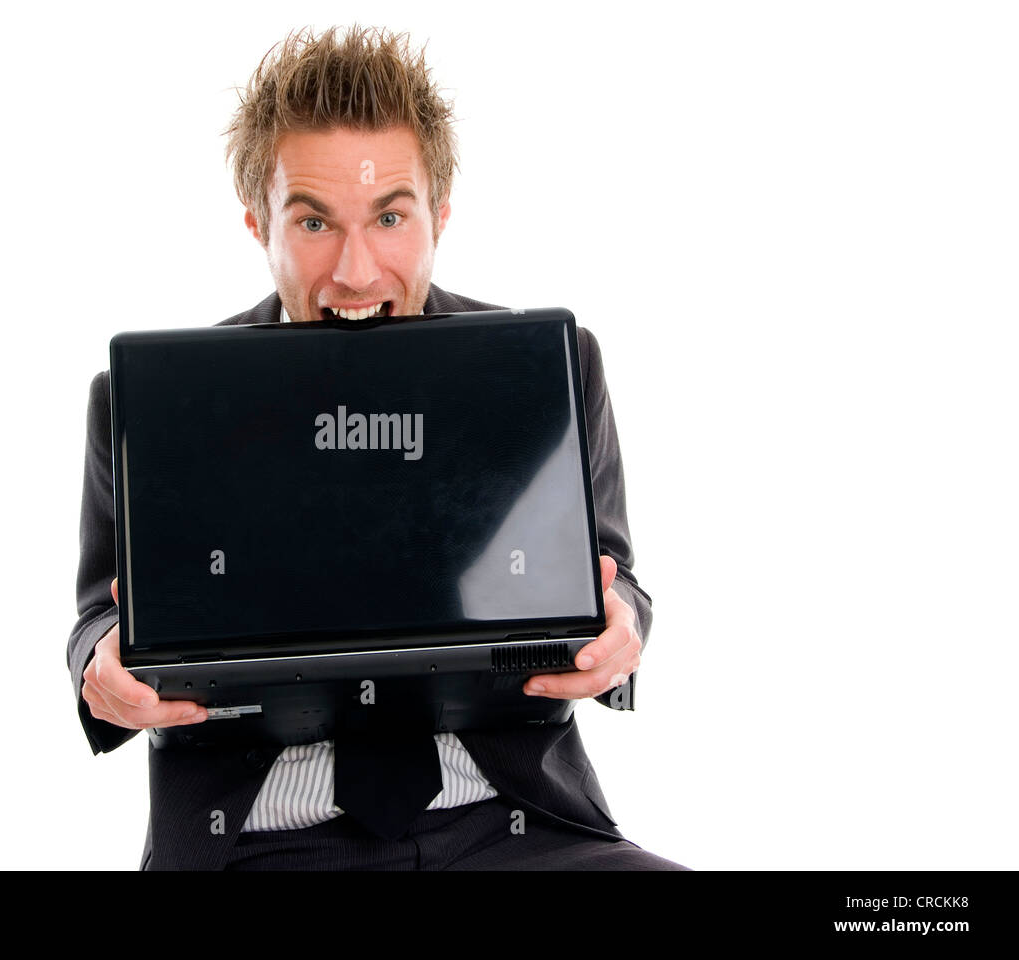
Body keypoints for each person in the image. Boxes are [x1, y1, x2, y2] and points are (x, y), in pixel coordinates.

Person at [66, 24, 687, 871]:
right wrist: (102, 665)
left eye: (391, 216)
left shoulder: (547, 372)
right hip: (256, 846)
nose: (357, 272)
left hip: (513, 827)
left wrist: (622, 627)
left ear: (440, 216)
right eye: (315, 221)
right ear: (259, 226)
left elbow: (613, 579)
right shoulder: (149, 405)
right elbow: (102, 616)